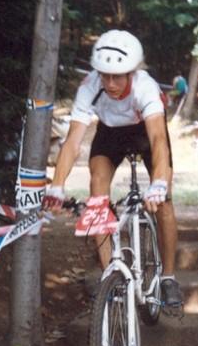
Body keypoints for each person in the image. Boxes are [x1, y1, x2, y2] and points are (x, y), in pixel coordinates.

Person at [43, 29, 183, 307]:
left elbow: (158, 139)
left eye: (116, 76)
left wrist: (158, 184)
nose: (109, 83)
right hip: (109, 135)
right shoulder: (90, 86)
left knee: (164, 201)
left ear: (132, 72)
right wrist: (57, 187)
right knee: (97, 191)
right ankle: (110, 276)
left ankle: (168, 278)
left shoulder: (146, 87)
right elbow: (72, 141)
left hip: (145, 133)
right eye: (104, 75)